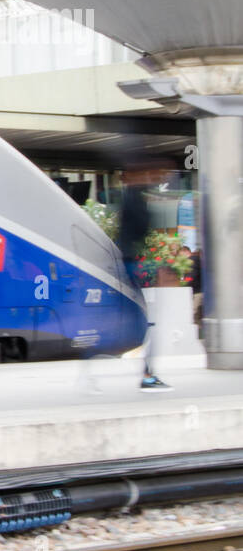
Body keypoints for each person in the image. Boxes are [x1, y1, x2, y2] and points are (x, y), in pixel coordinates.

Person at [117, 164, 173, 392]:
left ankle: (148, 372)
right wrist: (156, 268)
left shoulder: (133, 198)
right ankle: (148, 375)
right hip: (134, 265)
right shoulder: (134, 200)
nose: (154, 177)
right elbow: (132, 237)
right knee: (148, 324)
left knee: (145, 323)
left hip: (132, 264)